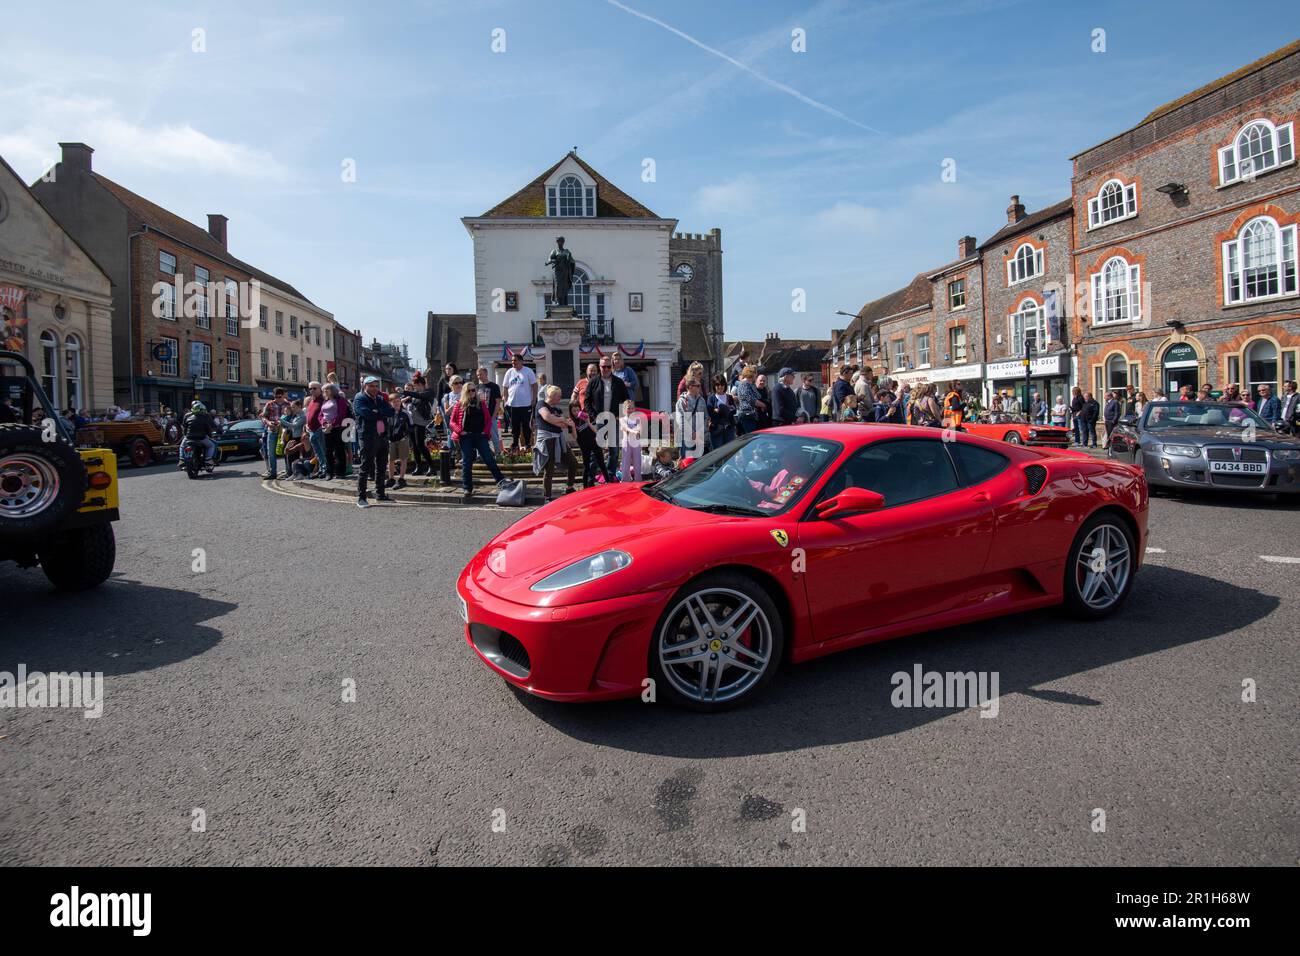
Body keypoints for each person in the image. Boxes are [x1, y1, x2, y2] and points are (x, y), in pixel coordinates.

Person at [450, 381, 507, 502]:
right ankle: (467, 488)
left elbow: (487, 420)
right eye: (469, 390)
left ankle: (501, 482)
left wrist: (485, 432)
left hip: (480, 436)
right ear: (465, 392)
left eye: (473, 390)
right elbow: (452, 422)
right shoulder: (459, 404)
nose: (471, 392)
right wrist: (460, 431)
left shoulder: (481, 403)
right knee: (467, 463)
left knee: (489, 459)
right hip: (466, 436)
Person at [352, 376, 393, 508]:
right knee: (366, 467)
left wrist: (377, 411)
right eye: (371, 386)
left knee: (381, 467)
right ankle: (361, 497)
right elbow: (367, 414)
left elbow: (391, 411)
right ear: (365, 386)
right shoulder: (360, 398)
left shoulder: (380, 399)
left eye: (376, 386)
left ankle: (380, 494)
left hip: (382, 436)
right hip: (368, 437)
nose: (374, 388)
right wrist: (380, 412)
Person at [586, 355, 630, 476]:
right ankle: (591, 477)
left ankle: (610, 476)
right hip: (599, 419)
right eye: (603, 367)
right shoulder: (593, 382)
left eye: (608, 366)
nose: (605, 369)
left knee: (614, 450)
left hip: (613, 419)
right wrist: (594, 416)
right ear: (599, 367)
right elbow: (587, 401)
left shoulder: (618, 382)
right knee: (596, 450)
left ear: (612, 367)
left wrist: (620, 415)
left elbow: (626, 401)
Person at [533, 385, 577, 502]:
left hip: (559, 439)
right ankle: (547, 496)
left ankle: (569, 487)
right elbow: (547, 417)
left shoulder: (557, 410)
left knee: (573, 462)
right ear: (551, 396)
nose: (560, 398)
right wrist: (561, 419)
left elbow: (562, 425)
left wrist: (558, 420)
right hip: (547, 440)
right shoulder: (541, 404)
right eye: (558, 396)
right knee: (549, 469)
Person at [502, 353, 538, 453]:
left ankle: (527, 444)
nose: (513, 362)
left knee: (526, 425)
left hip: (525, 404)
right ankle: (515, 445)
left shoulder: (528, 371)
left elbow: (534, 386)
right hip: (512, 404)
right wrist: (505, 400)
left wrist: (534, 399)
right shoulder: (509, 372)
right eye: (512, 361)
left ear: (521, 361)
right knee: (514, 426)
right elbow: (505, 387)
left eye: (515, 360)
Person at [569, 398, 610, 487]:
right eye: (574, 411)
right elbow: (575, 437)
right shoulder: (571, 422)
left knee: (601, 463)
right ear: (571, 411)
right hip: (584, 446)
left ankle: (609, 482)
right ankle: (585, 486)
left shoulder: (584, 417)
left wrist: (588, 422)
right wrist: (572, 427)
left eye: (577, 410)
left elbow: (595, 431)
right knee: (586, 466)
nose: (576, 412)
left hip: (594, 442)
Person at [403, 372, 437, 475]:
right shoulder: (414, 395)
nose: (414, 388)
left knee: (420, 444)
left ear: (421, 384)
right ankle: (419, 467)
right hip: (412, 422)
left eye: (415, 386)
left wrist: (407, 393)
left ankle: (431, 466)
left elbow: (421, 396)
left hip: (421, 422)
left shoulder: (428, 392)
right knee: (414, 446)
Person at [319, 383, 350, 482]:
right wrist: (324, 424)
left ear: (333, 390)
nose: (325, 392)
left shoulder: (340, 400)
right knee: (328, 451)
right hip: (326, 429)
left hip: (337, 428)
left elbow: (341, 414)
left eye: (327, 389)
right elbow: (320, 415)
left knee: (339, 450)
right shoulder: (325, 401)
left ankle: (340, 472)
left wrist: (332, 424)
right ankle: (329, 472)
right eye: (324, 390)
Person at [259, 387, 289, 480]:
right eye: (275, 396)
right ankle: (272, 473)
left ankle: (288, 471)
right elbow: (263, 417)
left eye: (279, 397)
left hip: (284, 432)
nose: (277, 399)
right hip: (272, 431)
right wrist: (268, 423)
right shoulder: (269, 404)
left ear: (283, 395)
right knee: (271, 453)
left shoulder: (289, 405)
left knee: (286, 452)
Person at [475, 367, 504, 456]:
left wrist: (493, 416)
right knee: (479, 436)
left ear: (486, 374)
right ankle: (480, 455)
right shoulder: (476, 387)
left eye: (481, 374)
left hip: (491, 416)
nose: (479, 376)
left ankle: (498, 453)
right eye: (478, 375)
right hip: (480, 417)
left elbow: (498, 403)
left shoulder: (494, 386)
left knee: (494, 436)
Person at [676, 379, 708, 458]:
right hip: (687, 438)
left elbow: (706, 417)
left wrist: (700, 432)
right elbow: (681, 421)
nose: (699, 388)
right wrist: (692, 433)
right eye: (697, 386)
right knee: (688, 463)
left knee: (700, 464)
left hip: (699, 438)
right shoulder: (681, 401)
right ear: (690, 387)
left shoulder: (702, 400)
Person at [387, 391, 412, 489]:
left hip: (402, 440)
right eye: (394, 402)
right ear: (390, 403)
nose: (396, 403)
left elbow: (411, 426)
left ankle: (401, 479)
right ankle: (391, 479)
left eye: (398, 401)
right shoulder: (388, 413)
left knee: (403, 459)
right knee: (390, 460)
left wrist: (405, 436)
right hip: (391, 440)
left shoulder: (405, 413)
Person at [304, 382, 327, 479]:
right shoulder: (311, 401)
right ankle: (321, 469)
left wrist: (322, 426)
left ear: (320, 389)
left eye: (314, 388)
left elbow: (326, 415)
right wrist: (307, 425)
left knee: (323, 451)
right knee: (318, 453)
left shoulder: (323, 400)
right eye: (310, 389)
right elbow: (308, 415)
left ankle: (326, 470)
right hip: (311, 430)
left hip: (319, 429)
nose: (312, 390)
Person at [707, 375, 736, 450]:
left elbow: (734, 410)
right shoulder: (711, 398)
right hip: (717, 429)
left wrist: (726, 409)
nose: (720, 386)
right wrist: (717, 411)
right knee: (718, 452)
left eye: (722, 384)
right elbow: (709, 412)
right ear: (714, 386)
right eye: (717, 384)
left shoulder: (729, 397)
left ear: (725, 385)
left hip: (729, 428)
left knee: (729, 451)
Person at [620, 400, 645, 481]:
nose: (630, 410)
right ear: (624, 409)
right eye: (628, 408)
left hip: (636, 443)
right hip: (626, 443)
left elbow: (640, 429)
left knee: (637, 464)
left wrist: (637, 431)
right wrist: (634, 431)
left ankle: (638, 481)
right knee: (625, 464)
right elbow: (626, 428)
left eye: (632, 408)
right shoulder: (622, 419)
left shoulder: (637, 419)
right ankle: (625, 481)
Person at [735, 365, 763, 435]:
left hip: (753, 415)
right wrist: (763, 405)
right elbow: (750, 399)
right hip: (746, 416)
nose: (756, 374)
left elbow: (758, 396)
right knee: (750, 438)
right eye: (755, 372)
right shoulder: (743, 384)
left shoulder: (751, 384)